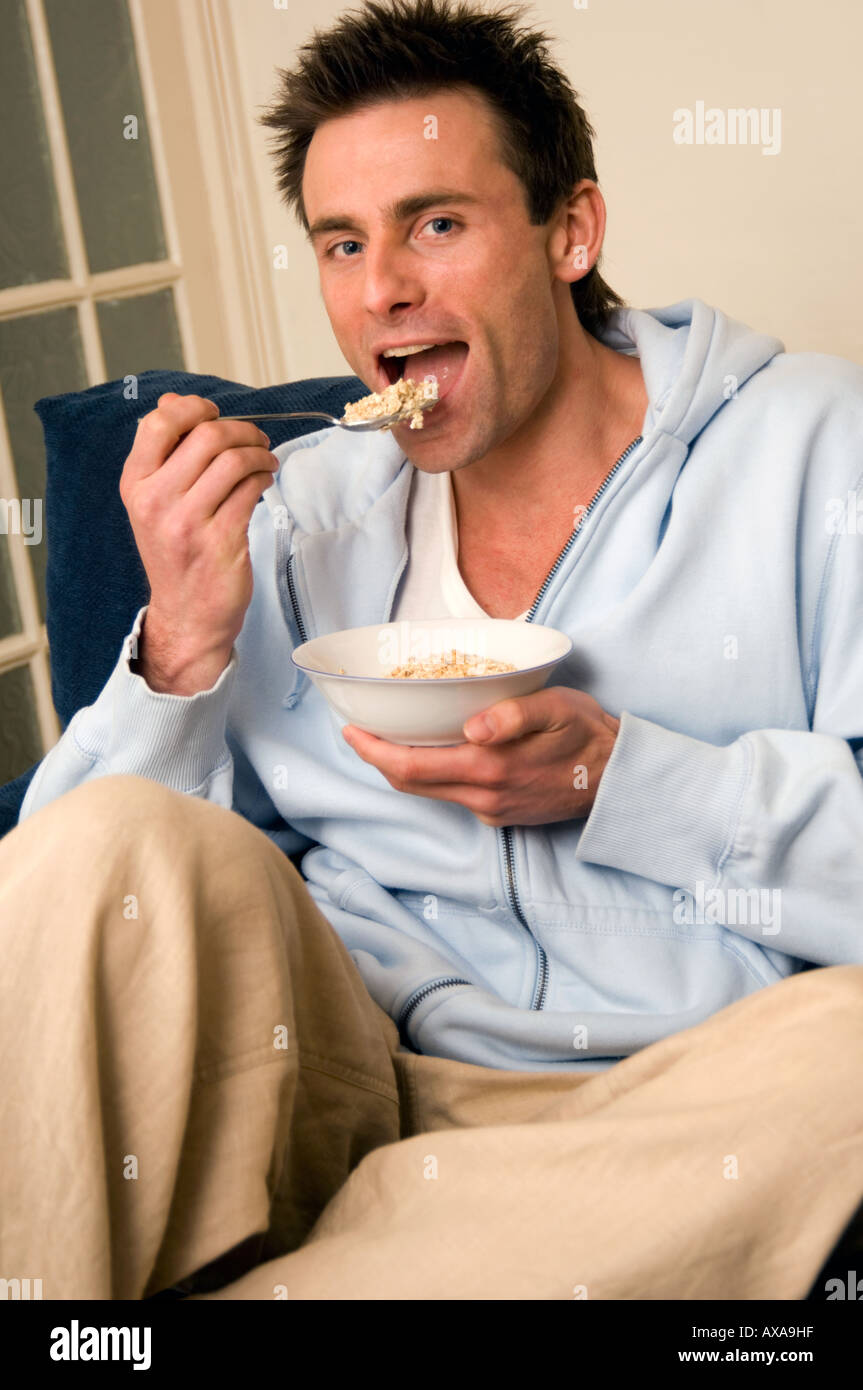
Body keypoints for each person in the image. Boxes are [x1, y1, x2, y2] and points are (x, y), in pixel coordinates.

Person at [1, 0, 862, 1301]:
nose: (381, 289)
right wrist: (178, 640)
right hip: (340, 1071)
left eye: (436, 224)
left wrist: (625, 782)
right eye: (343, 243)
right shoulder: (296, 515)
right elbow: (65, 927)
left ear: (571, 231)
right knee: (101, 838)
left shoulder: (816, 450)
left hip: (682, 1090)